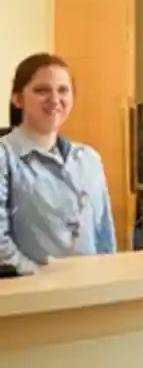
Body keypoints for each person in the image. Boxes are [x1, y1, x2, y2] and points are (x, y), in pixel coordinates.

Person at [0, 53, 115, 276]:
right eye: (42, 90)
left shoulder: (89, 159)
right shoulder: (5, 157)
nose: (54, 99)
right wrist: (43, 281)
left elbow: (104, 238)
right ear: (18, 99)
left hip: (91, 294)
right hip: (35, 298)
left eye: (63, 90)